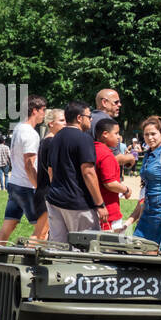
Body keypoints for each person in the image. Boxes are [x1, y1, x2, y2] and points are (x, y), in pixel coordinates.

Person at [43, 101, 108, 242]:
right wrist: (100, 204)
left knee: (58, 248)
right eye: (89, 116)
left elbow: (50, 171)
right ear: (79, 118)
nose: (91, 120)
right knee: (84, 249)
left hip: (55, 200)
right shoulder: (84, 139)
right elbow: (88, 172)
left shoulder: (55, 138)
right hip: (78, 204)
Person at [0, 96, 46, 242]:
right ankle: (31, 262)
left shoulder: (18, 128)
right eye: (43, 110)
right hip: (27, 187)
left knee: (6, 229)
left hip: (15, 184)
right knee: (42, 230)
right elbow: (29, 164)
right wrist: (38, 187)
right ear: (35, 110)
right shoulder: (30, 133)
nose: (44, 114)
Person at [128, 116, 161, 243]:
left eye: (153, 134)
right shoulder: (148, 155)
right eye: (146, 134)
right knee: (138, 247)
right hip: (147, 209)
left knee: (154, 251)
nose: (150, 138)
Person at [32, 108, 65, 240]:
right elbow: (51, 170)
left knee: (45, 235)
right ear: (51, 123)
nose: (65, 123)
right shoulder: (51, 142)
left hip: (45, 191)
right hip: (47, 192)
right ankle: (26, 258)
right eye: (62, 120)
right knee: (40, 234)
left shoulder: (48, 141)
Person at [93, 116, 131, 230]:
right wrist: (126, 190)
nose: (118, 137)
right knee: (111, 247)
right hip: (108, 212)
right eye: (116, 133)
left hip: (94, 208)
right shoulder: (106, 155)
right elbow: (109, 183)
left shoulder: (92, 149)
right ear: (105, 134)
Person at [93, 88, 136, 169]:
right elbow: (113, 158)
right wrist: (130, 158)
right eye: (116, 102)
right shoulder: (107, 122)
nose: (120, 104)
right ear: (104, 102)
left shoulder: (88, 119)